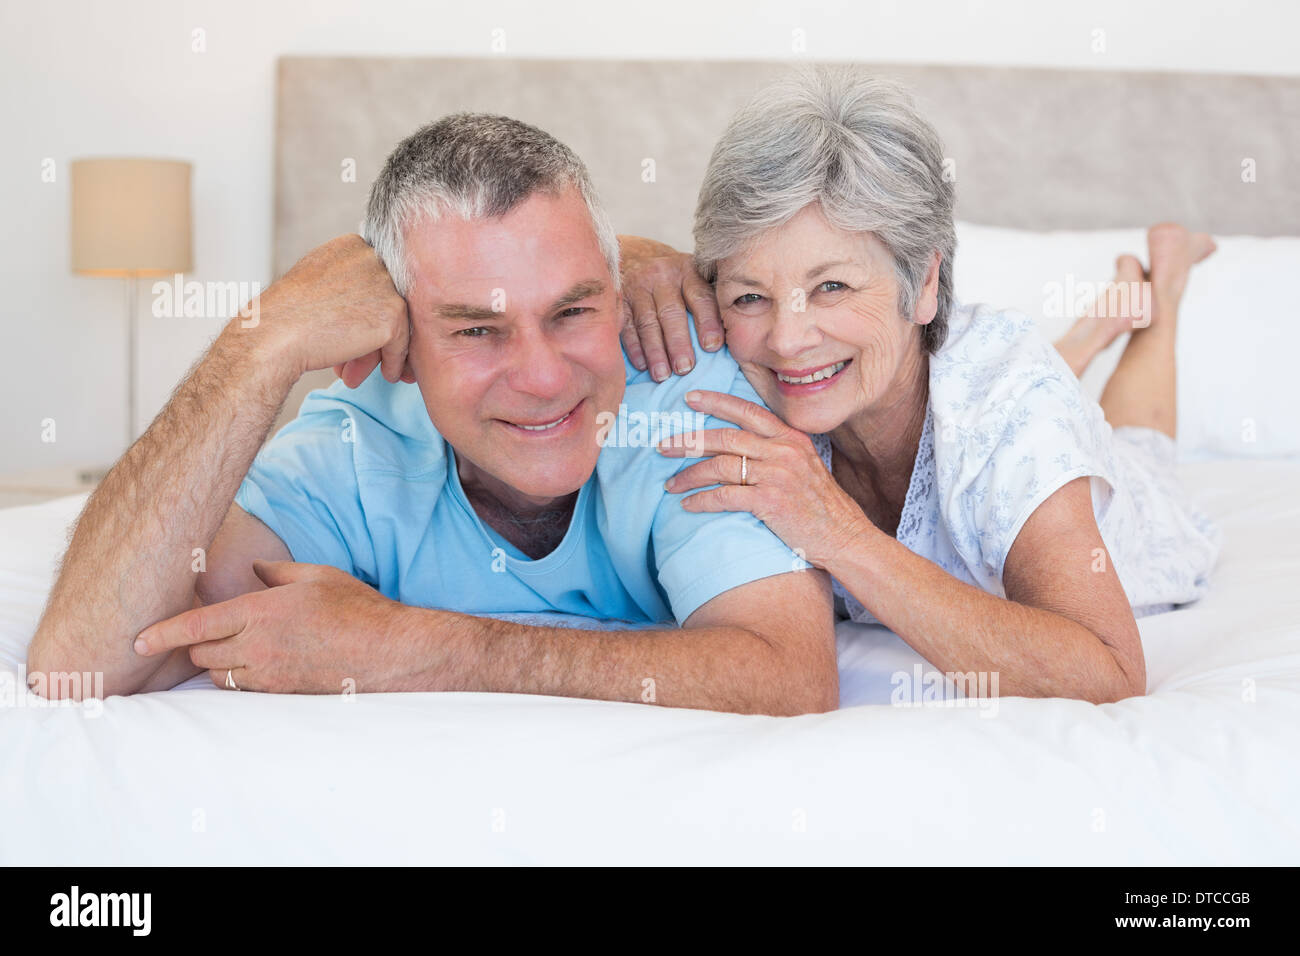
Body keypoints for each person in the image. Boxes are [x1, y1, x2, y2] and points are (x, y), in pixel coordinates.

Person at [26, 113, 835, 715]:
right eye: (478, 330)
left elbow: (792, 675)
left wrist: (411, 647)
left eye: (572, 311)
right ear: (401, 345)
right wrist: (259, 345)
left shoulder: (683, 389)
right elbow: (82, 663)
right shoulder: (353, 443)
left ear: (616, 291)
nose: (545, 377)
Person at [618, 68, 1221, 704]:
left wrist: (840, 534)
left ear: (925, 283)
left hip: (1102, 478)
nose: (787, 340)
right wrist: (633, 256)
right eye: (750, 295)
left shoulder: (1012, 405)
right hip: (964, 377)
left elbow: (1109, 673)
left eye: (833, 287)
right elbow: (604, 275)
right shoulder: (743, 351)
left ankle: (1166, 286)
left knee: (1138, 448)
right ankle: (1088, 337)